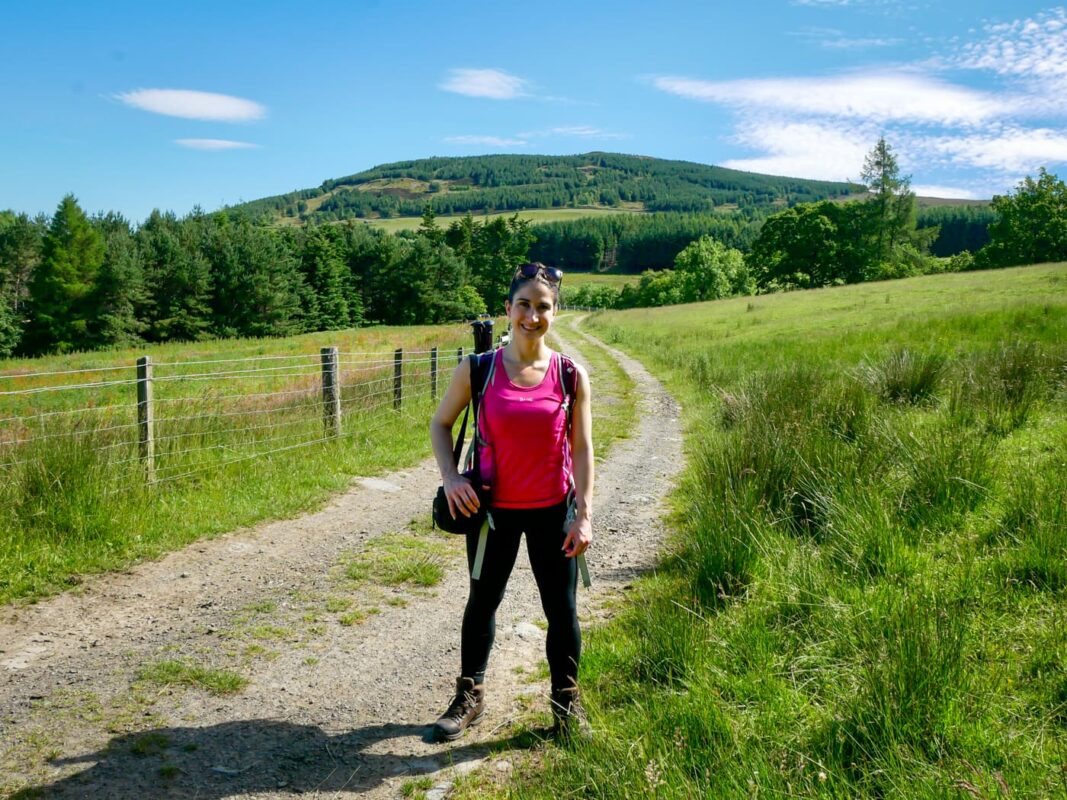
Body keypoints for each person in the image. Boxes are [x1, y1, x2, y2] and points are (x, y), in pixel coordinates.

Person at [428, 262, 594, 742]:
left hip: (552, 512)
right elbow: (440, 425)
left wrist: (583, 515)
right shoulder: (478, 370)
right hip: (491, 515)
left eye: (543, 306)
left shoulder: (569, 375)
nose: (532, 315)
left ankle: (566, 706)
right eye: (523, 304)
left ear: (555, 312)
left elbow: (582, 450)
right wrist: (451, 476)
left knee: (562, 611)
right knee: (482, 602)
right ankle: (469, 695)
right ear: (508, 308)